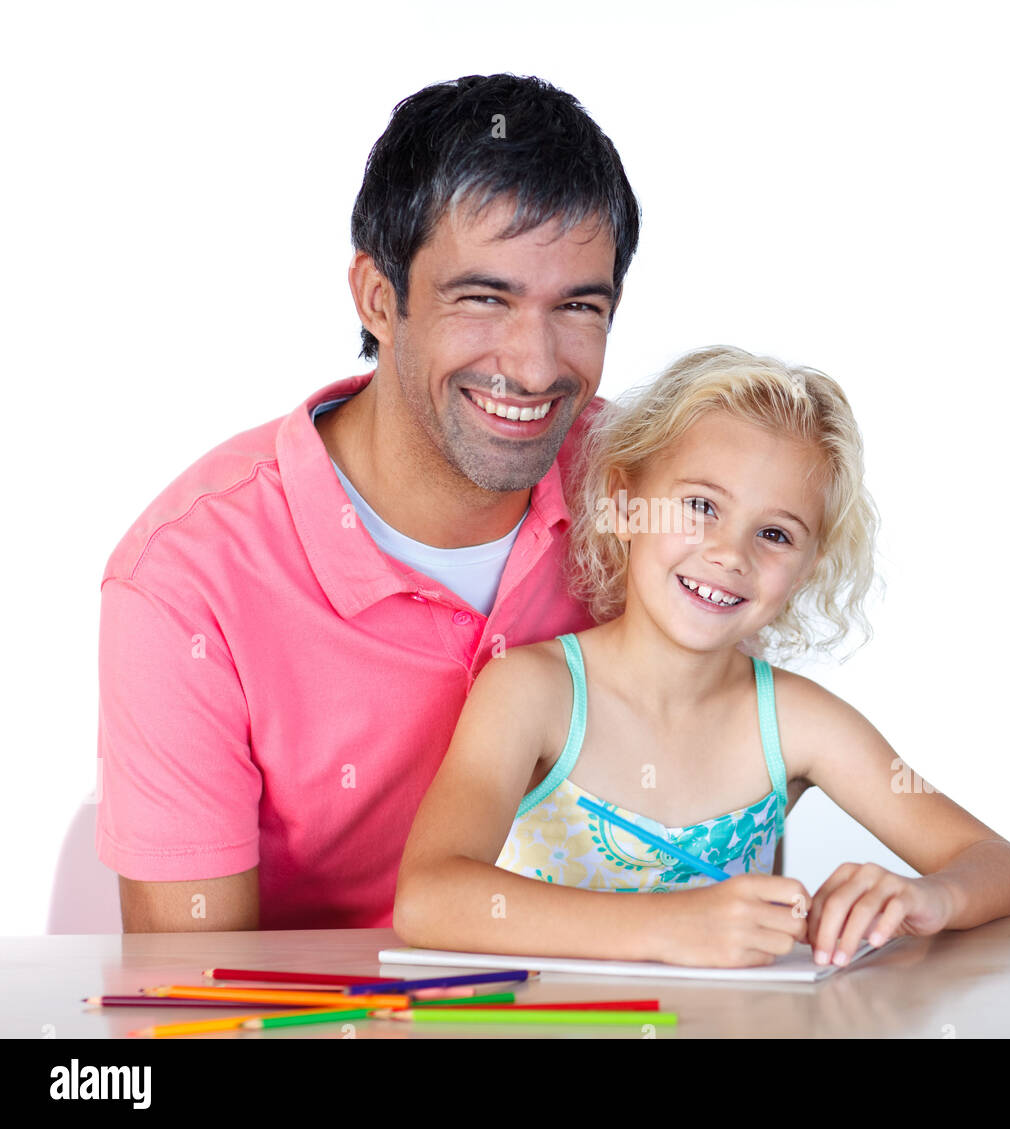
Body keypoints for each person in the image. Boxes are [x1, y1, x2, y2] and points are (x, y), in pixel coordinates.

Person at [96, 74, 640, 932]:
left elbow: (744, 768)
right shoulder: (183, 580)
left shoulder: (646, 486)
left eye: (577, 305)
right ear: (379, 299)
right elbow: (189, 995)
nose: (535, 367)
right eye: (484, 298)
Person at [395, 346, 1010, 967]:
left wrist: (927, 896)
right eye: (701, 506)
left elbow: (1003, 865)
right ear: (623, 505)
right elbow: (429, 898)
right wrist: (669, 927)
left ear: (808, 568)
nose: (732, 554)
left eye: (775, 534)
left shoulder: (795, 722)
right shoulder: (532, 692)